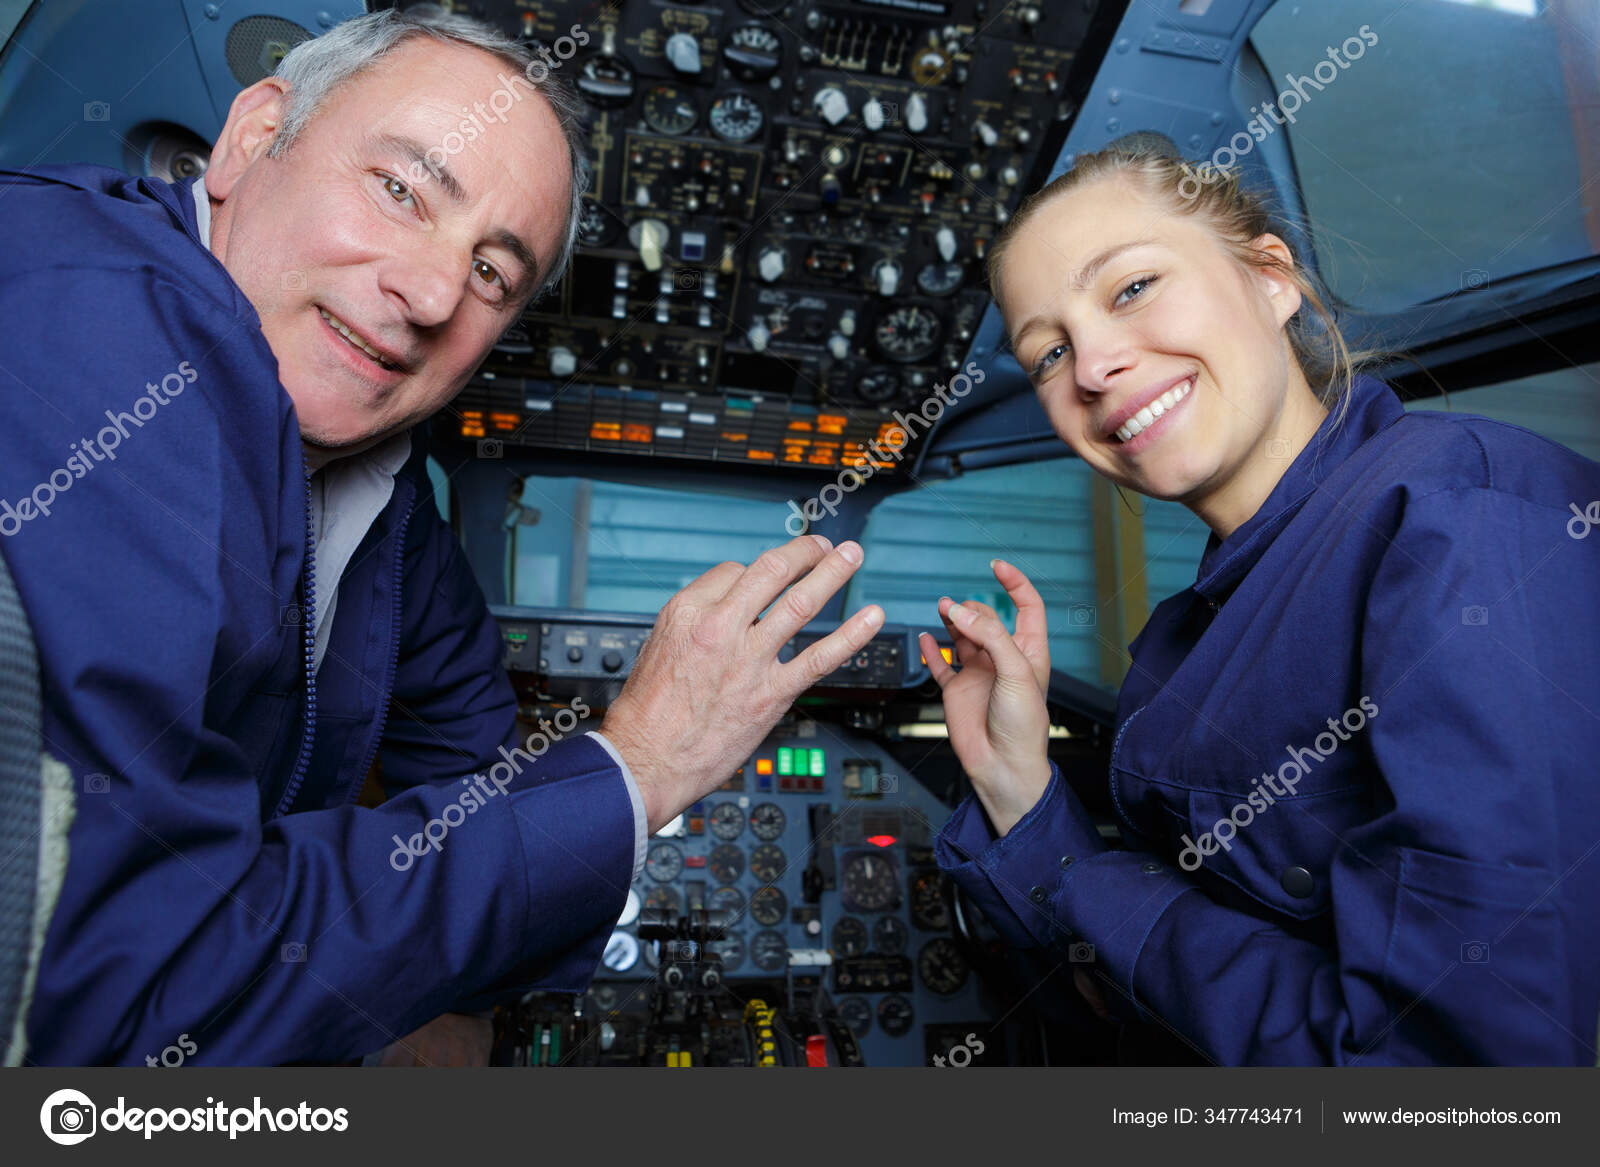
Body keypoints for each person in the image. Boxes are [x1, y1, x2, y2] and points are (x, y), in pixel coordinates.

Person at [0, 6, 882, 1065]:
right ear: (251, 135)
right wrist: (641, 765)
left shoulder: (378, 490)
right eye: (401, 190)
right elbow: (111, 1016)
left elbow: (467, 744)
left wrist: (466, 996)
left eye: (491, 275)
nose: (426, 294)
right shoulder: (94, 336)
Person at [924, 133, 1600, 1065]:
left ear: (1272, 277)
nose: (1091, 368)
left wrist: (1102, 888)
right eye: (1047, 354)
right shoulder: (1193, 628)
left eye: (1131, 288)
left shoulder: (1463, 519)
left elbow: (1446, 1078)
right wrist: (1017, 779)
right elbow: (1124, 1006)